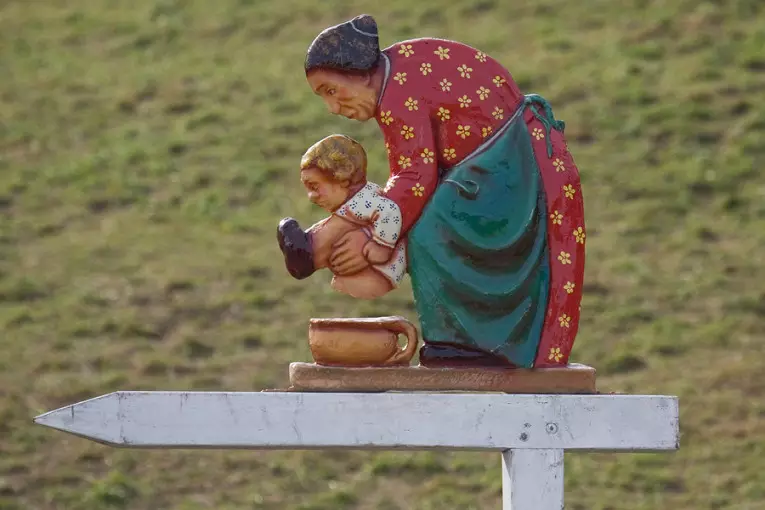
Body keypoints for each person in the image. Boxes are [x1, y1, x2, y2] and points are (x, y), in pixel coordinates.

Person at [292, 14, 586, 369]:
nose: (333, 107)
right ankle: (465, 340)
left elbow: (416, 176)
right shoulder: (395, 78)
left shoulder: (397, 94)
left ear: (360, 74)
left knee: (427, 231)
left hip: (504, 164)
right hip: (493, 160)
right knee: (417, 218)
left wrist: (375, 238)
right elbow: (412, 177)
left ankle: (461, 341)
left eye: (331, 90)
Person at [278, 134, 407, 300]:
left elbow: (390, 211)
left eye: (314, 186)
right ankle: (304, 251)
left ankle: (305, 254)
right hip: (373, 273)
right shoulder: (356, 202)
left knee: (335, 227)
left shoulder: (365, 201)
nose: (311, 196)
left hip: (380, 274)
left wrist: (381, 246)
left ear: (342, 179)